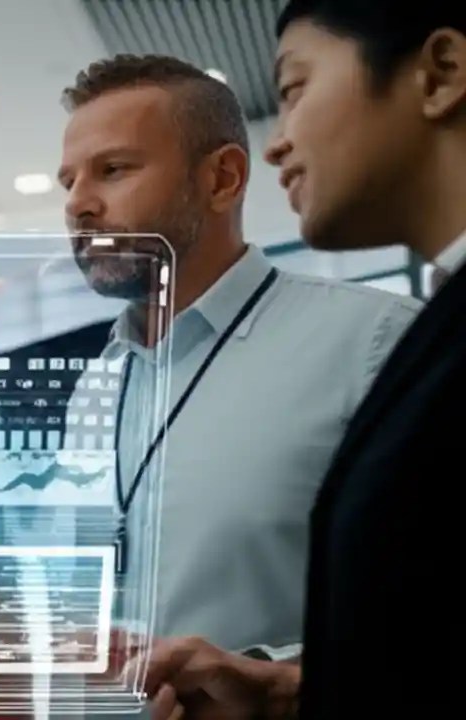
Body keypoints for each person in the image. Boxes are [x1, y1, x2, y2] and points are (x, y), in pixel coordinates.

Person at [52, 52, 420, 713]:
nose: (79, 204)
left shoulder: (379, 346)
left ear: (222, 179)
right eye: (69, 181)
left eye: (114, 169)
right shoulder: (93, 390)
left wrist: (276, 688)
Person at [142, 1, 465, 718]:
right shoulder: (441, 334)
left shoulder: (388, 339)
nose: (278, 144)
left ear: (440, 73)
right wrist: (286, 694)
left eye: (293, 90)